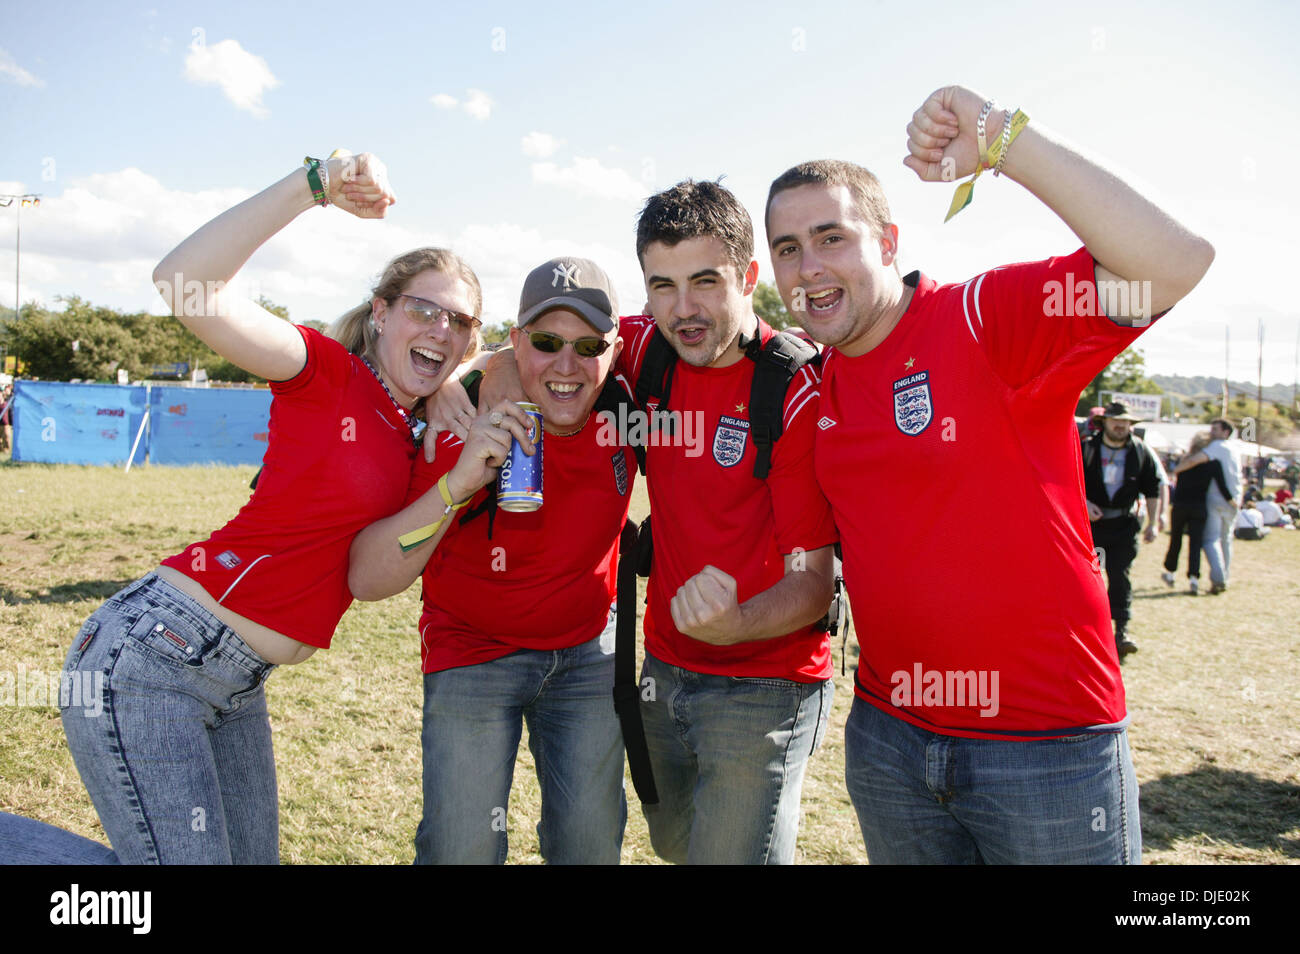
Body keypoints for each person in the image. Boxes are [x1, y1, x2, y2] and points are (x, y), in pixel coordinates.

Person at [765, 84, 1214, 864]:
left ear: (889, 241)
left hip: (1045, 749)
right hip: (889, 741)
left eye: (831, 237)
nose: (809, 268)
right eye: (788, 249)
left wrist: (1001, 139)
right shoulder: (814, 384)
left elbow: (1174, 262)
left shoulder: (983, 319)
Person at [58, 153, 484, 864]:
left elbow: (523, 354)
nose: (442, 329)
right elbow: (184, 285)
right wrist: (312, 185)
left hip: (234, 683)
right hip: (155, 660)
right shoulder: (323, 371)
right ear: (380, 311)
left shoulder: (414, 430)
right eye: (423, 308)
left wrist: (463, 381)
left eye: (460, 322)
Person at [348, 257, 636, 865]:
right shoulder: (454, 416)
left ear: (614, 348)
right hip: (472, 649)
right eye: (547, 342)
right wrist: (458, 480)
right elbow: (369, 576)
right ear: (517, 338)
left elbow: (705, 321)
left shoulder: (630, 392)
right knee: (463, 849)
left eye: (588, 345)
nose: (566, 364)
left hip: (588, 651)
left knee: (589, 844)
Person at [624, 181, 837, 865]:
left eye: (706, 281)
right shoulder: (646, 350)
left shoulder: (794, 390)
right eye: (662, 285)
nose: (683, 310)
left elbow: (815, 587)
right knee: (676, 845)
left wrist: (737, 623)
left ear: (748, 277)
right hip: (661, 668)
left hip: (766, 685)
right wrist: (471, 378)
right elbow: (548, 346)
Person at [1082, 401, 1167, 656]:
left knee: (1120, 576)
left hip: (1125, 526)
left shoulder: (1140, 451)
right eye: (1116, 420)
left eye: (1126, 421)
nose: (1121, 425)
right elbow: (1064, 480)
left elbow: (1153, 488)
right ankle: (1088, 633)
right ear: (1104, 422)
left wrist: (1153, 522)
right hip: (1090, 528)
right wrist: (1083, 503)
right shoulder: (1087, 448)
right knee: (1088, 580)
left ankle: (1121, 631)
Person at [1163, 431, 1231, 595]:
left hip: (1180, 505)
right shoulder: (1213, 463)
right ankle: (1193, 577)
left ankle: (1171, 573)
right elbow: (1222, 485)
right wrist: (1231, 500)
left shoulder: (1184, 461)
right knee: (1196, 543)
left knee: (1176, 539)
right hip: (1199, 506)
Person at [1199, 419, 1242, 594]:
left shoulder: (1217, 446)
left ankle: (1219, 579)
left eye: (1215, 429)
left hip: (1217, 498)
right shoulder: (1235, 448)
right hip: (1234, 499)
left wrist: (1180, 467)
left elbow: (1198, 458)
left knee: (1210, 539)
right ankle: (1225, 575)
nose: (1212, 432)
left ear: (1225, 432)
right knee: (1226, 539)